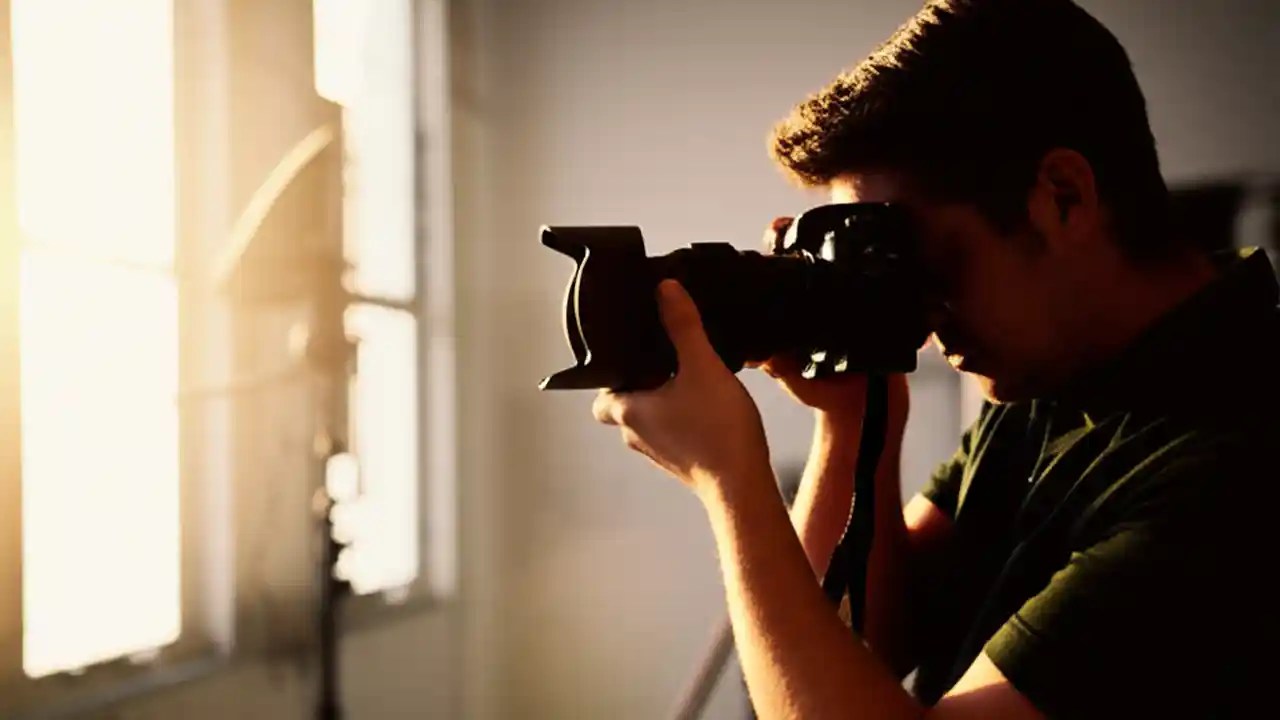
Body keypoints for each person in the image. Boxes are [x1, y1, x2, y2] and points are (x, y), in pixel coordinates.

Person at [590, 0, 1280, 718]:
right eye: (886, 263)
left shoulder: (1238, 457)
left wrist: (730, 480)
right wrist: (855, 418)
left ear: (1063, 198)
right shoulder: (1065, 366)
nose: (917, 308)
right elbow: (859, 640)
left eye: (923, 257)